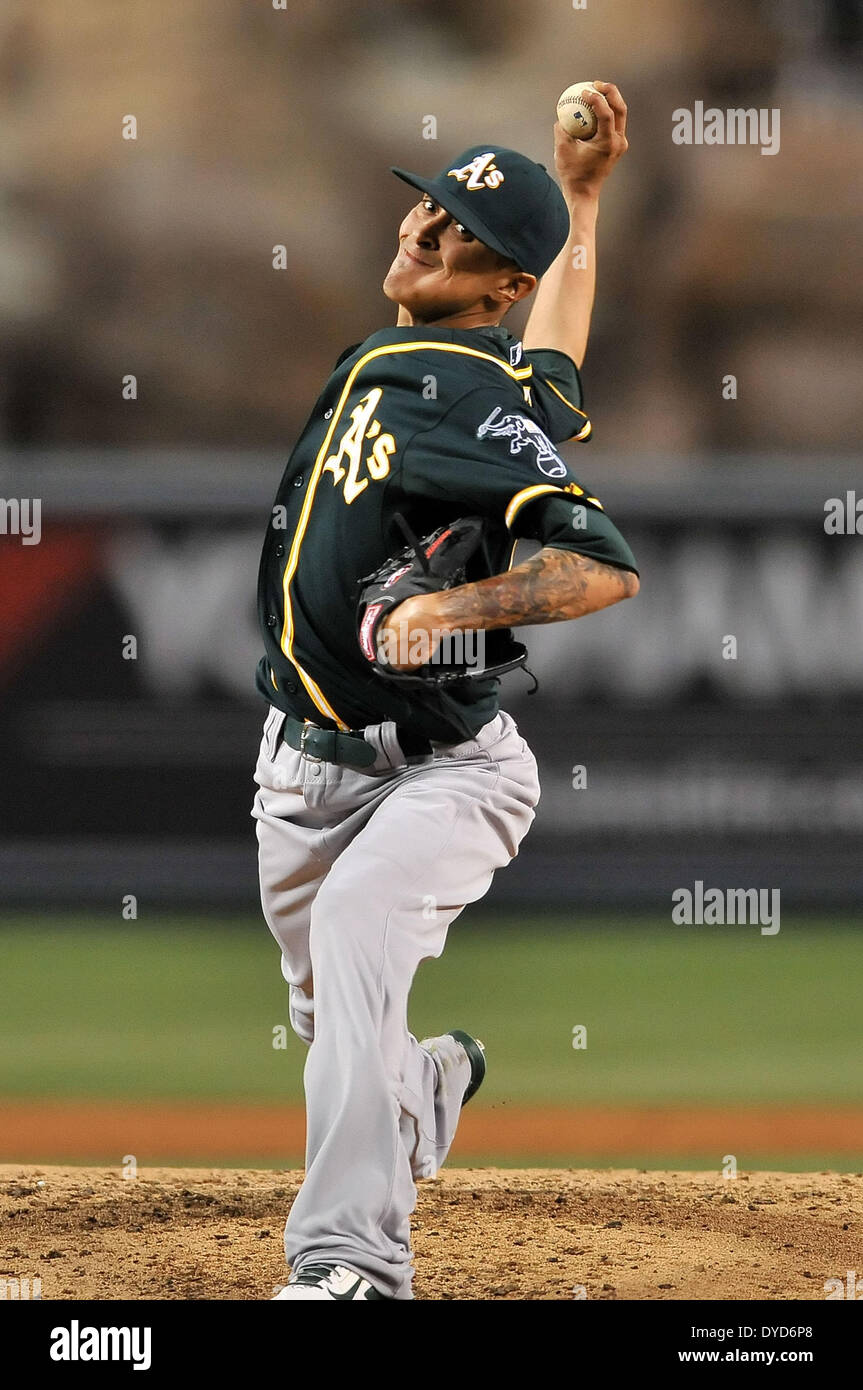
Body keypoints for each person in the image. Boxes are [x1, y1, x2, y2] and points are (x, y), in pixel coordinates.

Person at [253, 82, 636, 1301]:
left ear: (494, 287)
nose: (419, 231)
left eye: (455, 232)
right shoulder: (433, 368)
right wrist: (579, 199)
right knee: (339, 1037)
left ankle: (351, 1267)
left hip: (442, 768)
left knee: (365, 935)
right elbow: (559, 370)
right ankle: (421, 1087)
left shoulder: (458, 389)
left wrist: (450, 607)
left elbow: (600, 566)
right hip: (299, 770)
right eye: (425, 209)